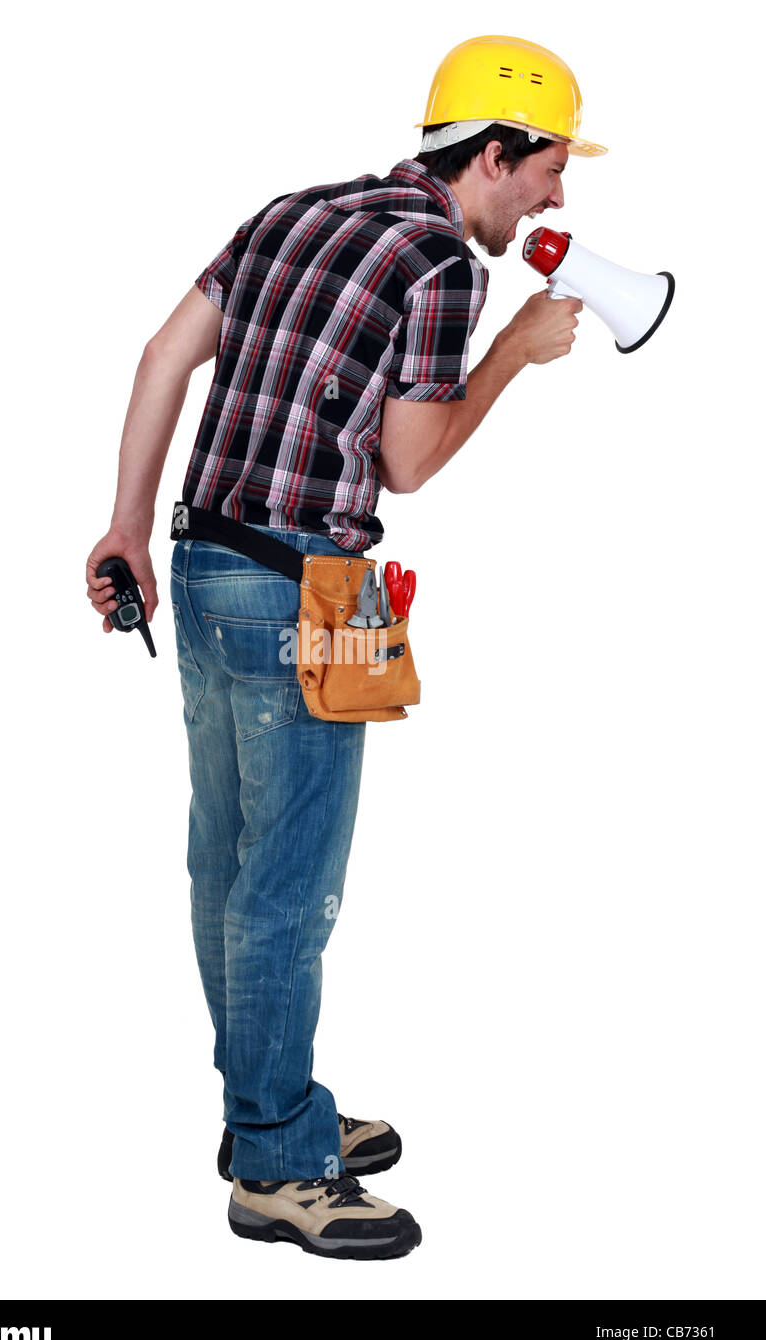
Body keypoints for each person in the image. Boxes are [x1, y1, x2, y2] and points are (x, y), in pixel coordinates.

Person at [85, 35, 605, 1261]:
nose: (555, 196)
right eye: (545, 168)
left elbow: (163, 356)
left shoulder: (294, 209)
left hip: (206, 566)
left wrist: (123, 527)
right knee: (288, 890)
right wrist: (514, 358)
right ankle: (274, 1160)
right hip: (302, 593)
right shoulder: (438, 264)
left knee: (228, 862)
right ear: (491, 153)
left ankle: (265, 1107)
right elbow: (408, 464)